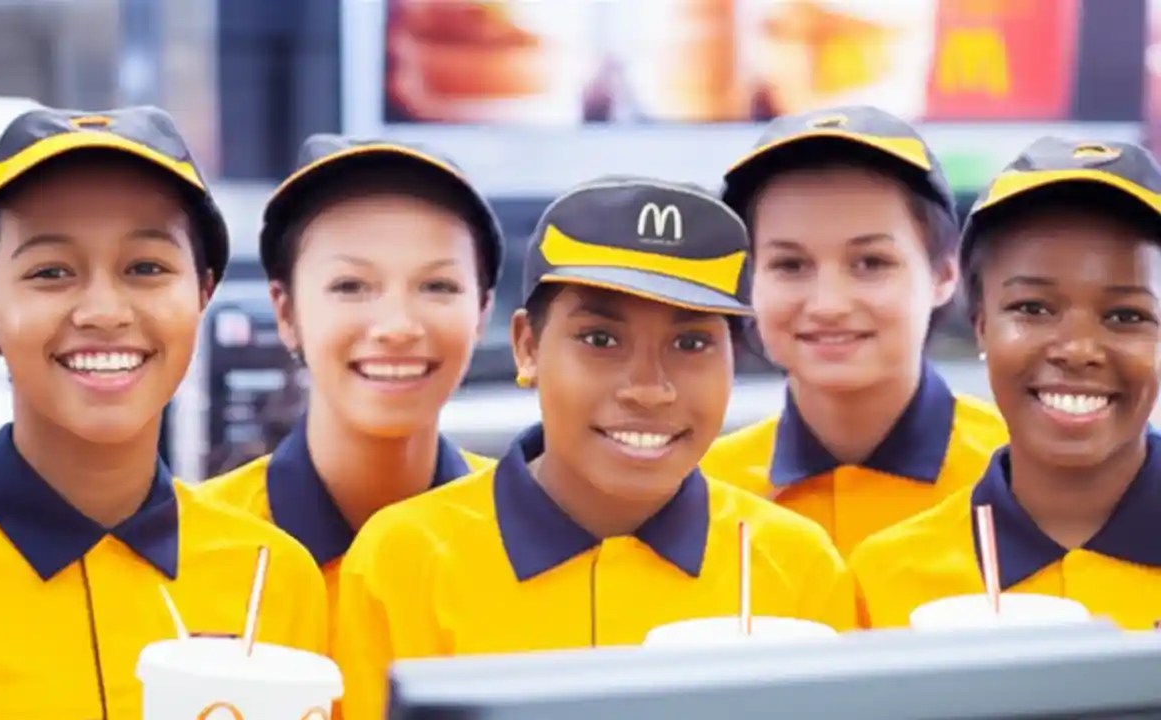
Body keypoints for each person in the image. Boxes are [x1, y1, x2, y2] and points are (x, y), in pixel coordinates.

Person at [332, 176, 856, 720]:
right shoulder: (406, 559)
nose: (649, 388)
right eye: (601, 340)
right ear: (527, 347)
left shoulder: (795, 567)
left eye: (691, 343)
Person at [0, 107, 328, 719]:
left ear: (202, 292)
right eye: (51, 272)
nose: (103, 310)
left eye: (146, 268)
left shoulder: (272, 576)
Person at [851, 137, 1161, 630]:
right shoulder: (888, 575)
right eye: (1032, 309)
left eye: (1127, 315)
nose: (1078, 349)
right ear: (981, 326)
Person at [200, 136, 502, 631]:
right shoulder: (198, 550)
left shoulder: (532, 541)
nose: (397, 325)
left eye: (437, 286)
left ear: (483, 312)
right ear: (286, 310)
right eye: (351, 286)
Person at [699, 106, 1009, 556]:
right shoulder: (704, 495)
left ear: (944, 274)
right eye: (790, 265)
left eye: (871, 263)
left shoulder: (1022, 481)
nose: (828, 305)